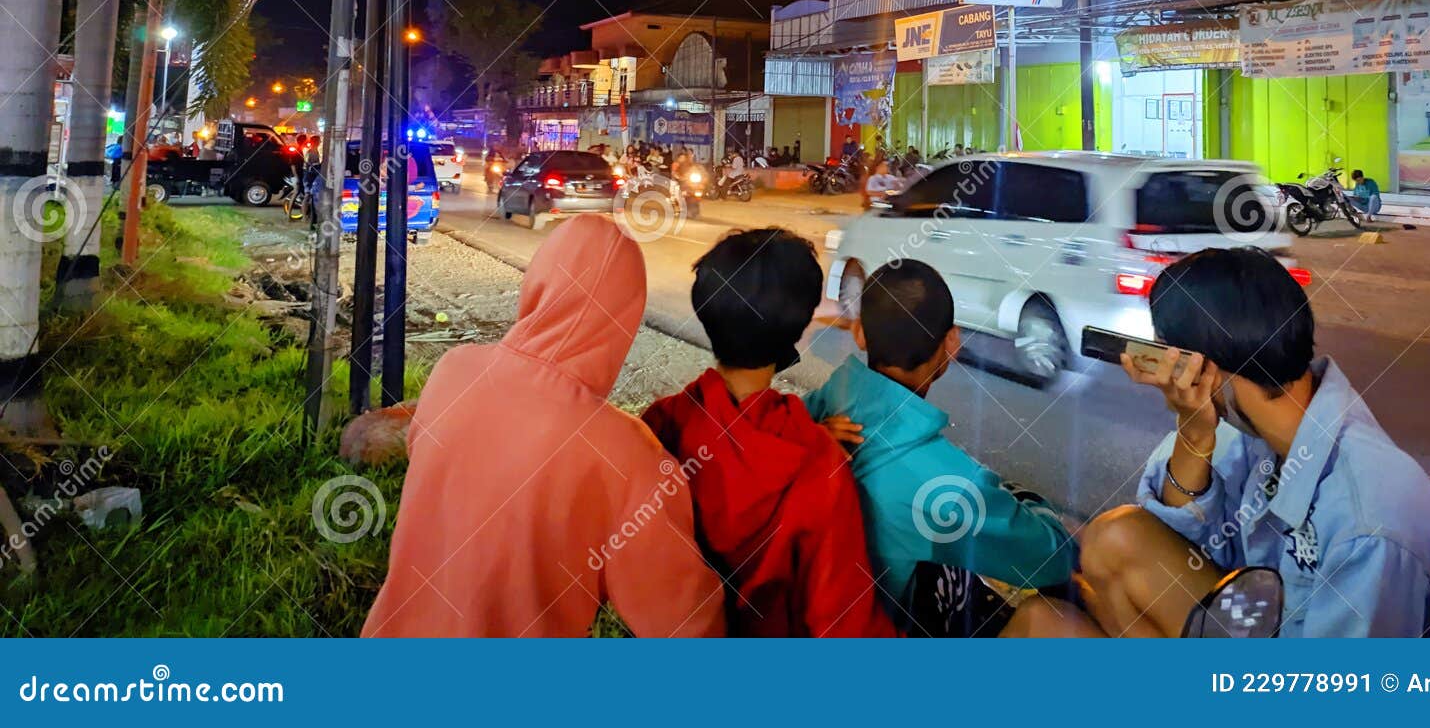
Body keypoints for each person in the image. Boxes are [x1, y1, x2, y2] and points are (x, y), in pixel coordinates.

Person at [1060, 247, 1430, 638]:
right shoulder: (1261, 434)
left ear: (1200, 367)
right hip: (1273, 624)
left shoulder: (1367, 523)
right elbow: (1182, 546)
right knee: (1114, 540)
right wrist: (1194, 429)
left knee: (1058, 619)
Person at [364, 216, 724, 638]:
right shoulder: (628, 454)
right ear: (625, 319)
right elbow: (683, 624)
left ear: (538, 281)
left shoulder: (454, 372)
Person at [806, 259, 1083, 635]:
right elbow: (1052, 557)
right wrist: (1036, 506)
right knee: (1059, 613)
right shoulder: (947, 483)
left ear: (859, 334)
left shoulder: (824, 404)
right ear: (951, 343)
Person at [643, 229, 896, 638]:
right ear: (797, 327)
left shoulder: (658, 426)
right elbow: (844, 625)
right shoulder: (819, 467)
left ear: (705, 309)